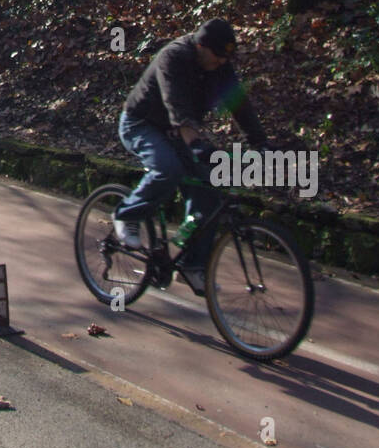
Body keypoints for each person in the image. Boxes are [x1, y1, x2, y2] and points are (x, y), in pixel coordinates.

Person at [113, 18, 267, 288]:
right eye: (217, 56)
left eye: (225, 58)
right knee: (168, 169)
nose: (221, 62)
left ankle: (192, 264)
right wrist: (194, 143)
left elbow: (239, 104)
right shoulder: (174, 57)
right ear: (200, 45)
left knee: (210, 186)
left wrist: (260, 142)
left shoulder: (220, 68)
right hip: (141, 123)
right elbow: (177, 106)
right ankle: (127, 214)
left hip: (179, 132)